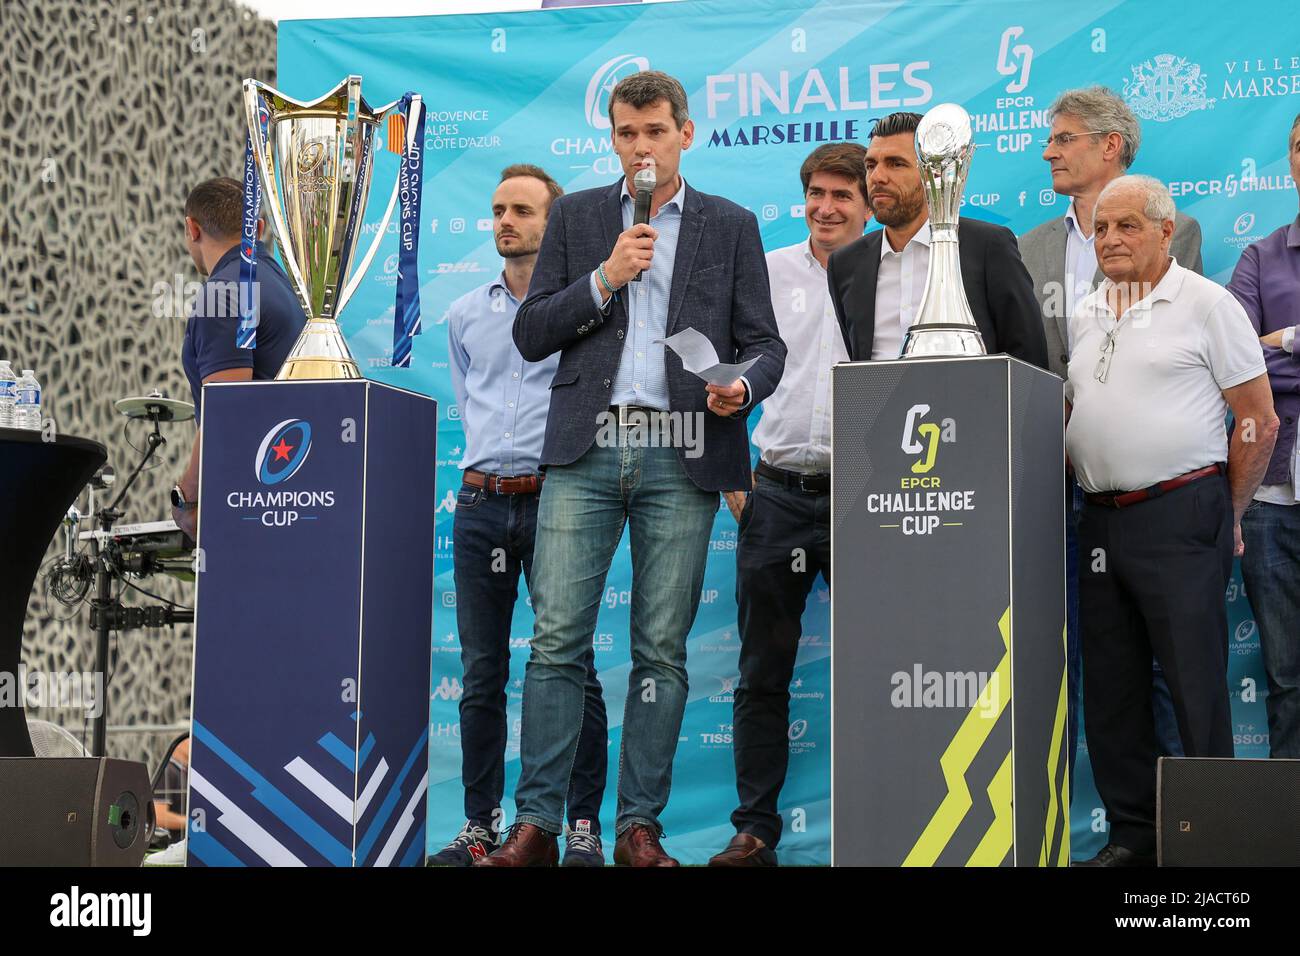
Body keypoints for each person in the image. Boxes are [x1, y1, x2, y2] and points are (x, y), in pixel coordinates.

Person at [477, 70, 785, 867]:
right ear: (611, 138)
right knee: (554, 643)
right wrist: (605, 277)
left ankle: (638, 828)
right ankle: (537, 825)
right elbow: (532, 333)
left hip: (686, 447)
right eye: (626, 133)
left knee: (661, 651)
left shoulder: (731, 224)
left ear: (686, 132)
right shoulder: (578, 217)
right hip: (584, 450)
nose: (640, 148)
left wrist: (740, 386)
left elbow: (765, 342)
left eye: (654, 132)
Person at [1066, 175, 1277, 866]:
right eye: (1101, 229)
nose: (1112, 240)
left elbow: (1258, 419)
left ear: (1165, 230)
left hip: (1183, 513)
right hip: (1098, 519)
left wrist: (1230, 511)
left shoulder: (1208, 305)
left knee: (1195, 687)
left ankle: (1214, 847)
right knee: (1113, 690)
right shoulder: (1086, 309)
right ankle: (1132, 836)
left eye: (1127, 226)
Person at [1020, 87, 1204, 778]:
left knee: (1155, 659)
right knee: (1065, 652)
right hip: (1048, 478)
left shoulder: (1173, 232)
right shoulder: (1027, 245)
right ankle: (1069, 824)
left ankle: (1177, 824)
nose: (1048, 151)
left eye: (1063, 138)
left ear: (1110, 147)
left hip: (1140, 483)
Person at [431, 165, 609, 867]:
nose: (506, 221)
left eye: (523, 211)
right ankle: (480, 826)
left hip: (560, 498)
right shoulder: (465, 313)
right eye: (499, 209)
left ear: (553, 221)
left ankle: (583, 828)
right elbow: (468, 400)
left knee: (574, 666)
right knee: (481, 673)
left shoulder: (582, 307)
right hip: (479, 503)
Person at [709, 143, 870, 867]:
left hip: (869, 503)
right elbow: (713, 373)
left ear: (869, 206)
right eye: (817, 193)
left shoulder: (896, 278)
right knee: (761, 672)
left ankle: (882, 821)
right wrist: (735, 481)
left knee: (887, 668)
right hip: (774, 492)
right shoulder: (765, 273)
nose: (827, 208)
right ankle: (755, 832)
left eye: (843, 195)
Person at [826, 111, 1046, 368]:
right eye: (871, 165)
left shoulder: (987, 246)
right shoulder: (845, 264)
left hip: (975, 405)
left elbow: (1029, 361)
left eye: (896, 163)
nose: (878, 177)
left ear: (932, 171)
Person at [172, 178, 305, 538]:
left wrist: (188, 495)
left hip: (247, 498)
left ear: (192, 228)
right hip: (288, 488)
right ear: (258, 228)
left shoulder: (223, 291)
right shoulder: (281, 283)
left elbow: (226, 410)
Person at [1226, 112, 1300, 759]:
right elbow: (1240, 361)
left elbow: (1268, 356)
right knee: (1286, 677)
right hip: (1275, 499)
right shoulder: (1261, 257)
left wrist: (1290, 339)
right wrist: (1268, 352)